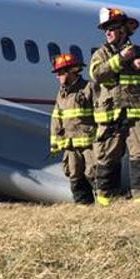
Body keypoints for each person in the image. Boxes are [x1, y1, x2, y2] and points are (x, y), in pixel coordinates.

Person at [88, 7, 140, 205]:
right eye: (105, 29)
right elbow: (96, 74)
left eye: (111, 28)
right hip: (110, 117)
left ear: (124, 30)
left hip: (137, 116)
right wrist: (120, 59)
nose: (107, 32)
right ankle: (107, 202)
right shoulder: (101, 54)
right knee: (107, 158)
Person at [49, 53, 97, 204]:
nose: (58, 76)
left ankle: (105, 209)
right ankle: (83, 208)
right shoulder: (61, 93)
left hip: (90, 144)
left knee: (94, 174)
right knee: (74, 175)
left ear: (72, 71)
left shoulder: (89, 88)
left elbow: (102, 114)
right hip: (70, 145)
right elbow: (57, 118)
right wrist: (56, 142)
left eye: (60, 73)